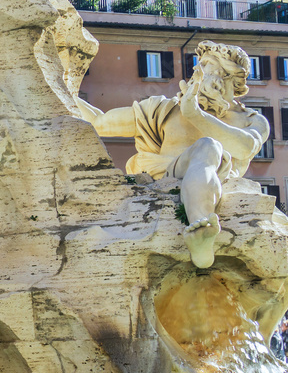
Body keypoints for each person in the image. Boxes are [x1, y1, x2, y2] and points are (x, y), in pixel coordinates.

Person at [76, 41, 269, 268]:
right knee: (209, 146)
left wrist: (196, 115)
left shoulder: (252, 120)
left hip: (216, 179)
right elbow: (99, 123)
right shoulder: (164, 109)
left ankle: (200, 235)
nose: (196, 71)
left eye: (205, 65)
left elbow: (245, 148)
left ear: (228, 75)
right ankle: (199, 228)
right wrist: (58, 90)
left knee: (209, 147)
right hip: (166, 174)